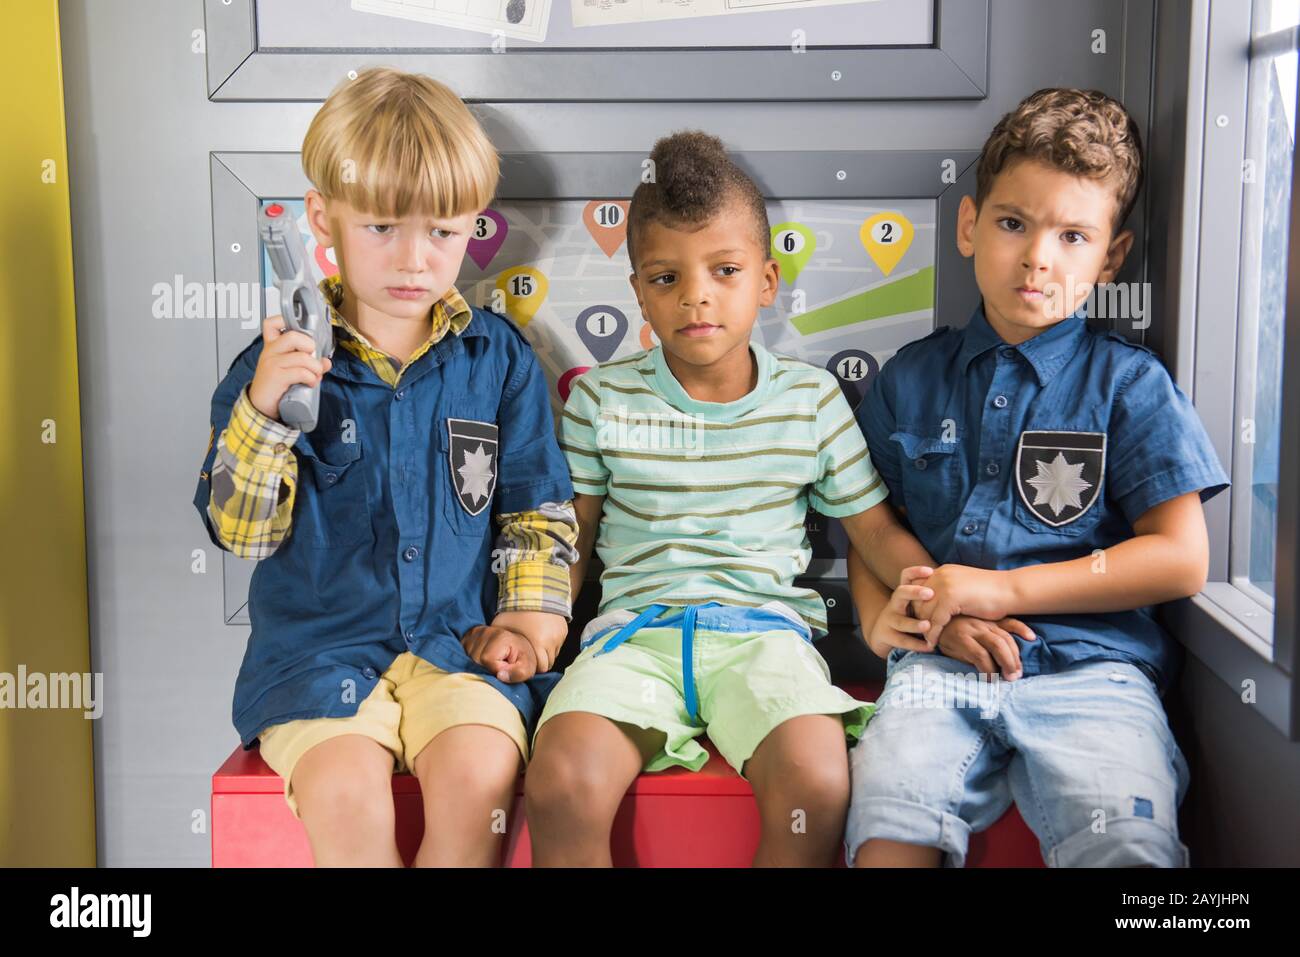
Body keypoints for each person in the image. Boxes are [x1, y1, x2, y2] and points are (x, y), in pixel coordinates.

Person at [192, 67, 577, 866]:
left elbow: (534, 511)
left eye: (441, 232)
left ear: (474, 225)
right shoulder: (271, 370)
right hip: (317, 659)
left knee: (478, 788)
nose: (413, 259)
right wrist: (264, 413)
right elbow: (241, 533)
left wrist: (533, 628)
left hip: (458, 647)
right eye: (381, 229)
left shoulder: (496, 359)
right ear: (322, 219)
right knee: (347, 806)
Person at [524, 130, 938, 867]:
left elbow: (871, 526)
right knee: (559, 778)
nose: (696, 297)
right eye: (665, 278)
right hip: (632, 640)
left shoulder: (810, 400)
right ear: (638, 292)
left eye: (724, 270)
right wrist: (540, 620)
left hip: (764, 638)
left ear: (767, 280)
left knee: (814, 779)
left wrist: (926, 589)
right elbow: (573, 535)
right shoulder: (599, 400)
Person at [846, 88, 1230, 868]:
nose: (1037, 258)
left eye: (1074, 235)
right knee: (888, 826)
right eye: (1013, 223)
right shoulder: (907, 381)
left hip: (1096, 671)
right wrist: (887, 619)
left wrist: (1002, 590)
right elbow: (872, 527)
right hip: (937, 667)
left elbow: (1180, 557)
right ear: (968, 225)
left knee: (1127, 842)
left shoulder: (1129, 386)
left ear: (1111, 257)